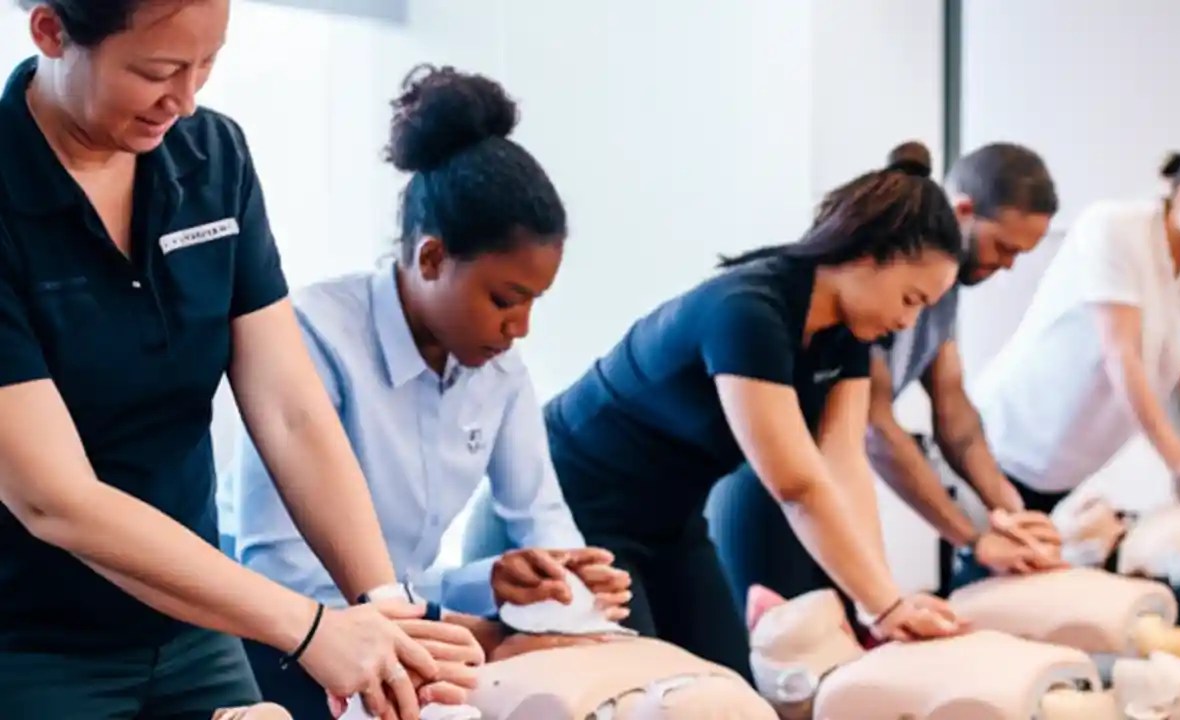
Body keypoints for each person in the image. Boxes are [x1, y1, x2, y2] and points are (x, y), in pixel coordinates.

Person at [0, 3, 476, 718]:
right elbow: (55, 498)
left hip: (194, 619)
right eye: (156, 72)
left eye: (207, 64)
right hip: (33, 645)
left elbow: (289, 409)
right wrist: (311, 629)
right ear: (50, 33)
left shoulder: (212, 158)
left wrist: (383, 607)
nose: (186, 100)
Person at [230, 64, 631, 717]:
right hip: (278, 638)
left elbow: (542, 520)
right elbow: (281, 575)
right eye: (505, 299)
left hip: (397, 620)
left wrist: (562, 579)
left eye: (535, 304)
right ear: (431, 258)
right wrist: (468, 620)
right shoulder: (314, 337)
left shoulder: (500, 371)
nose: (520, 328)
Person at [529, 160, 968, 681]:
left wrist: (882, 599)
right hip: (578, 507)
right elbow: (797, 486)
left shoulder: (849, 336)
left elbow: (844, 464)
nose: (908, 321)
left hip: (672, 522)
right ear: (869, 256)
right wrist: (886, 606)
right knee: (647, 694)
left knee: (730, 687)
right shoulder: (749, 310)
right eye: (911, 299)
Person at [707, 141, 1068, 613]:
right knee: (787, 651)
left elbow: (953, 414)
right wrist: (971, 540)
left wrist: (1012, 514)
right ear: (963, 211)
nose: (1007, 265)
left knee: (838, 644)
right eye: (1003, 246)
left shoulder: (933, 291)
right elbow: (876, 432)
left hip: (823, 488)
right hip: (769, 491)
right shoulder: (813, 306)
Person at [969, 139, 1180, 580]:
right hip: (1003, 447)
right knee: (986, 593)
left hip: (1068, 465)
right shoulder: (1114, 227)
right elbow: (1121, 352)